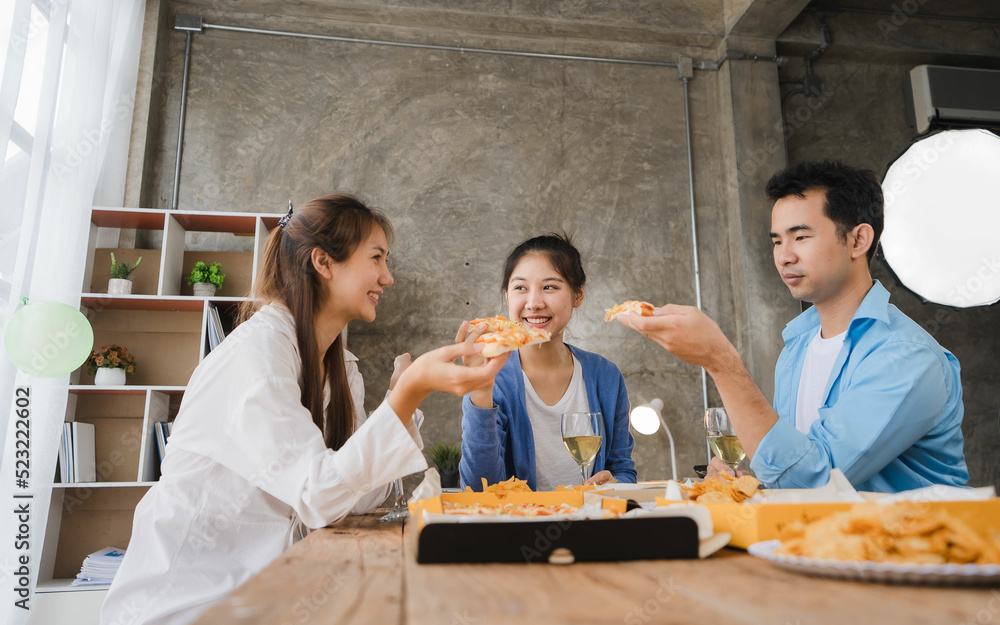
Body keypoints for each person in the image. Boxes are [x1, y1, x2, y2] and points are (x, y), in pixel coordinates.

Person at [101, 195, 508, 625]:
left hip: (269, 594)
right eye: (377, 258)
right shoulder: (257, 355)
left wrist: (399, 407)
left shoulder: (339, 365)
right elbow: (318, 496)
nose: (387, 277)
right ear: (323, 262)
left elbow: (357, 498)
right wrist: (407, 394)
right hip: (190, 604)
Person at [617, 161, 968, 493]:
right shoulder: (797, 347)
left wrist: (720, 361)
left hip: (908, 552)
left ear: (858, 240)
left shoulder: (906, 357)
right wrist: (749, 485)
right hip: (816, 549)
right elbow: (795, 473)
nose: (784, 256)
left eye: (800, 237)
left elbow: (818, 480)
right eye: (777, 241)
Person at [458, 234, 636, 491]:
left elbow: (624, 471)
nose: (534, 303)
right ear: (507, 297)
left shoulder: (605, 376)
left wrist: (617, 483)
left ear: (578, 295)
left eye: (549, 287)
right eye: (520, 288)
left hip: (593, 525)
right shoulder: (491, 378)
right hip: (518, 528)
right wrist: (481, 388)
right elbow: (478, 490)